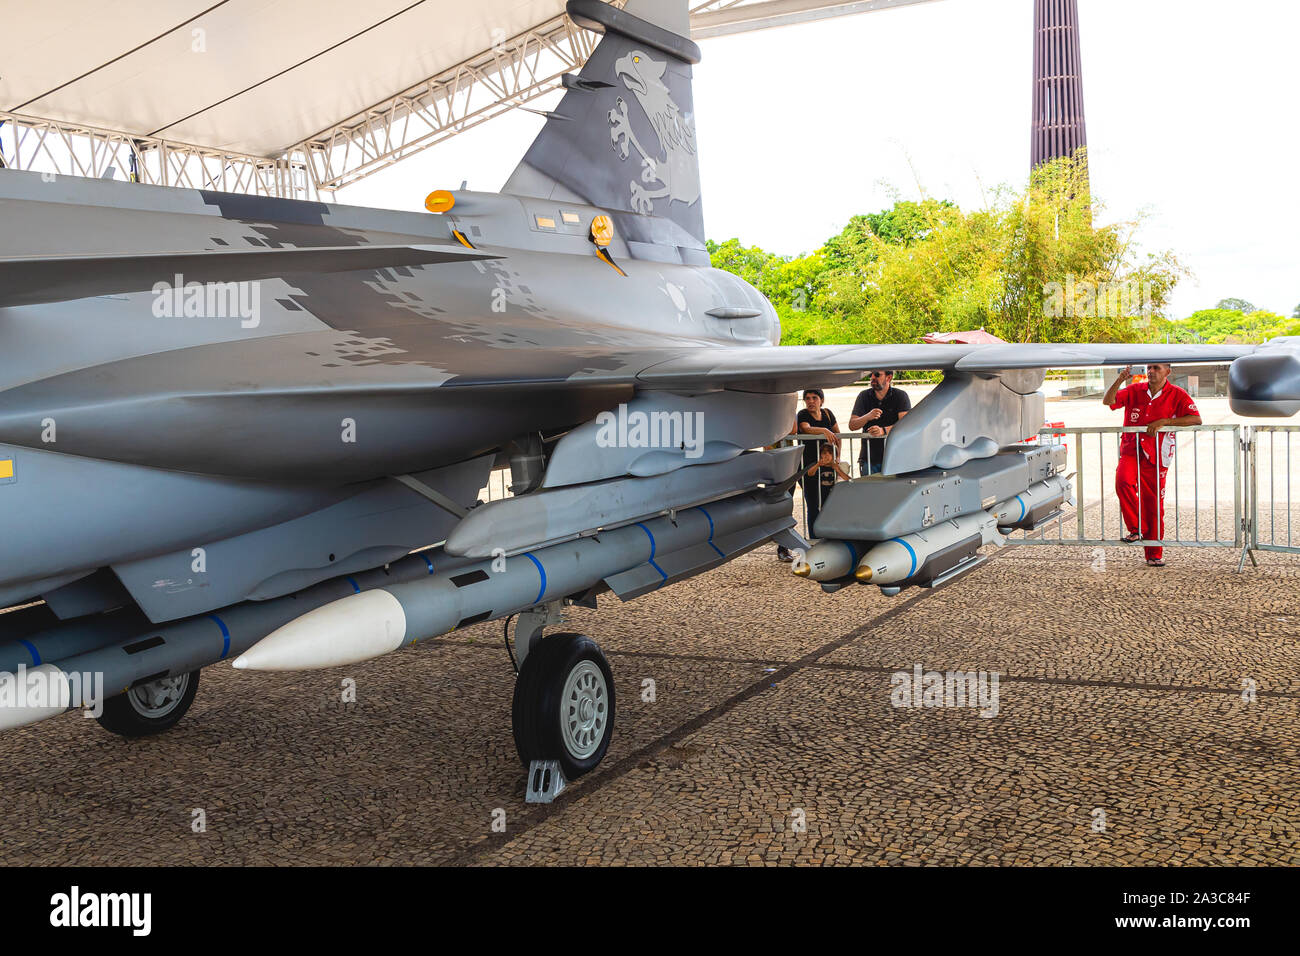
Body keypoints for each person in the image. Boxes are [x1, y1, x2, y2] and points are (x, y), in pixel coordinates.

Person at [1102, 363, 1201, 567]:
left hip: (1157, 454)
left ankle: (1154, 553)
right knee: (1123, 482)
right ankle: (1136, 528)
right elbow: (1108, 401)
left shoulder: (1177, 394)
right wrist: (1121, 379)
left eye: (1156, 368)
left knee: (1153, 504)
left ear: (1168, 371)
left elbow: (1195, 418)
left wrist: (1165, 421)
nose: (1151, 371)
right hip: (1131, 448)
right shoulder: (1134, 390)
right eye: (1149, 368)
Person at [778, 389, 839, 561]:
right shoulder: (803, 414)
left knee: (828, 503)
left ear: (822, 400)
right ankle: (814, 542)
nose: (810, 401)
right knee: (812, 504)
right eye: (807, 398)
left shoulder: (828, 414)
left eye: (814, 398)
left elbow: (838, 434)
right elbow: (806, 428)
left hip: (827, 467)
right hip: (808, 467)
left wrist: (837, 457)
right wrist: (823, 431)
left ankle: (829, 541)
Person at [849, 370, 911, 475]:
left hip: (895, 457)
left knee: (894, 491)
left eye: (877, 374)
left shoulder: (900, 396)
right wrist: (867, 417)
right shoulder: (864, 396)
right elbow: (852, 425)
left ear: (889, 377)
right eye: (871, 374)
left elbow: (906, 424)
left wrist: (884, 431)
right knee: (870, 490)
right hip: (869, 458)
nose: (872, 377)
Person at [803, 444, 851, 536]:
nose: (826, 455)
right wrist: (818, 464)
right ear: (820, 454)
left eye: (830, 453)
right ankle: (815, 537)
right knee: (817, 516)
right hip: (820, 496)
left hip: (832, 497)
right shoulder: (818, 465)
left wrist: (837, 469)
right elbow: (810, 473)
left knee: (832, 517)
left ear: (835, 455)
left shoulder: (837, 466)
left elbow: (848, 479)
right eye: (824, 453)